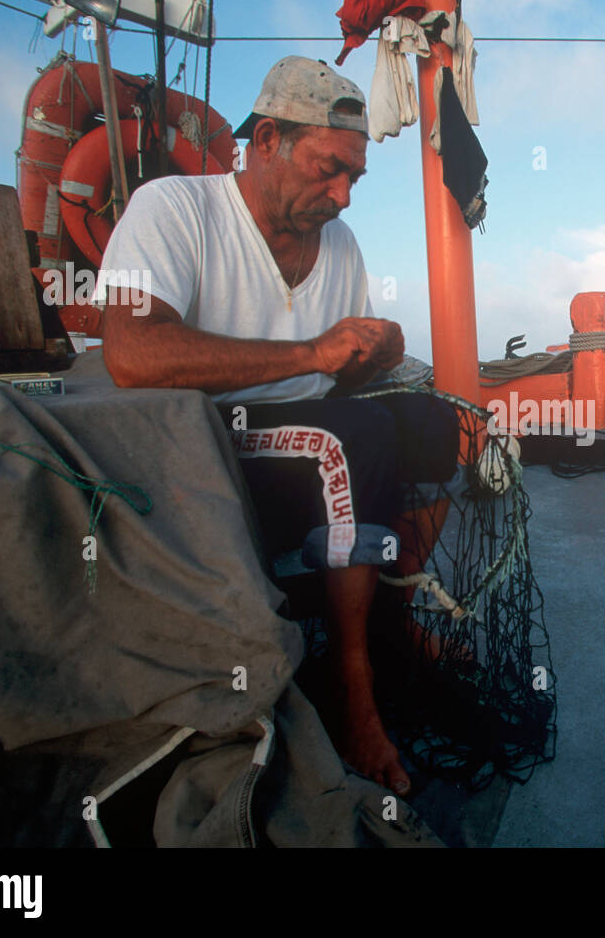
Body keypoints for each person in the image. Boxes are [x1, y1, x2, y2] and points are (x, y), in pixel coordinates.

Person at [95, 56, 459, 798]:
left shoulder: (341, 246)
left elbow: (332, 380)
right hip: (202, 449)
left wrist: (368, 358)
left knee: (430, 424)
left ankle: (389, 618)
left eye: (354, 179)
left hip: (305, 432)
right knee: (347, 442)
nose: (342, 195)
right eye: (329, 170)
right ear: (266, 140)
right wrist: (310, 353)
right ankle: (355, 694)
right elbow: (130, 354)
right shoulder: (173, 208)